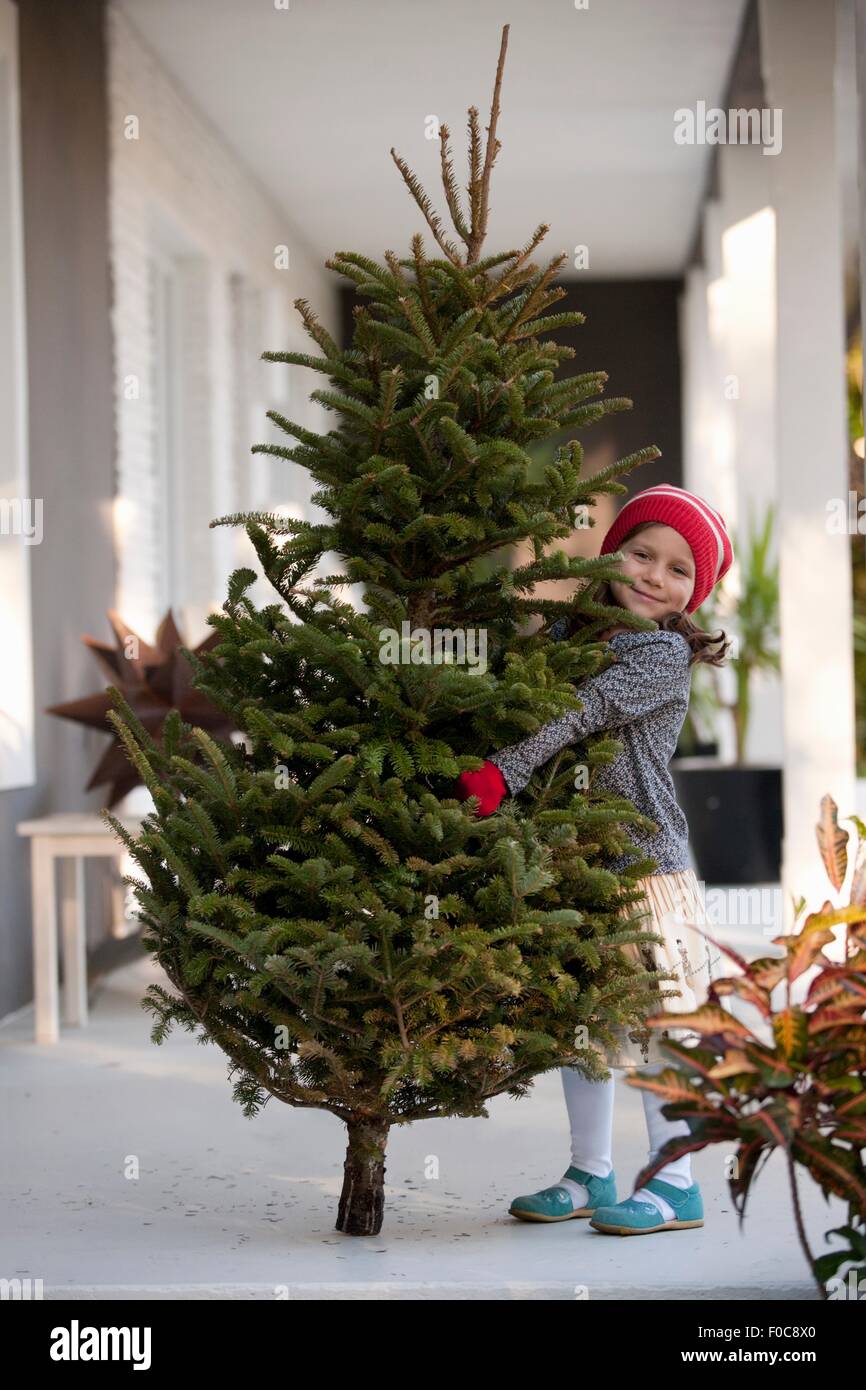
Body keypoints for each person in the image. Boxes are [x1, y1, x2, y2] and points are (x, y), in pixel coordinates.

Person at [454, 484, 734, 1235]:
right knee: (587, 1025)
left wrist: (503, 770)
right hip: (578, 866)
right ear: (612, 553)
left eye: (677, 570)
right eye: (641, 553)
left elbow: (581, 713)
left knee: (656, 1026)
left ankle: (674, 1182)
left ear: (692, 595)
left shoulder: (662, 653)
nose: (651, 575)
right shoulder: (575, 640)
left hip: (645, 872)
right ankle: (593, 1172)